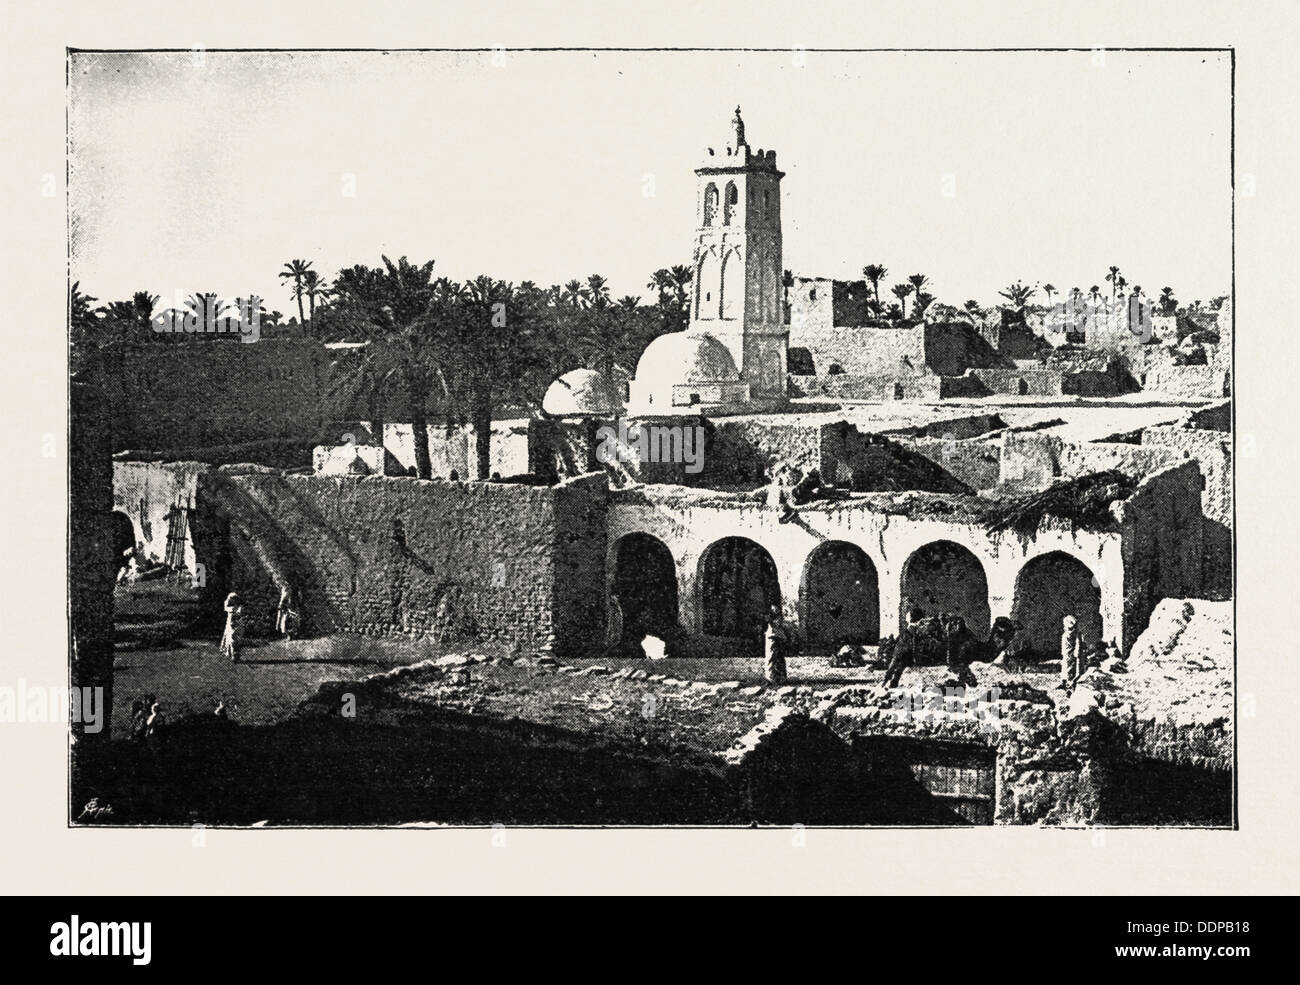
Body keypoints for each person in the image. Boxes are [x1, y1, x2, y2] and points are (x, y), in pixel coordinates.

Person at [883, 607, 926, 688]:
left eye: (908, 615)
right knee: (899, 669)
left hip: (902, 650)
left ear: (911, 618)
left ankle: (886, 682)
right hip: (904, 651)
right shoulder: (914, 628)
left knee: (893, 667)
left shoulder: (912, 628)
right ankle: (893, 683)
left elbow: (911, 641)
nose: (906, 617)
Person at [1060, 614, 1084, 687]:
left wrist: (1077, 652)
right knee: (1065, 667)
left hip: (1071, 653)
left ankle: (1070, 683)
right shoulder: (1065, 634)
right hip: (1066, 653)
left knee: (1070, 669)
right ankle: (1064, 681)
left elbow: (1078, 643)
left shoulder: (1076, 634)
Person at [221, 591, 243, 663]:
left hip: (237, 622)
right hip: (230, 621)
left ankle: (236, 655)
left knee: (236, 638)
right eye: (232, 599)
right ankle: (230, 652)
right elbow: (226, 608)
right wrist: (232, 609)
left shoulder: (239, 605)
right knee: (230, 638)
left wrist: (238, 611)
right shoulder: (227, 603)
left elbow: (240, 612)